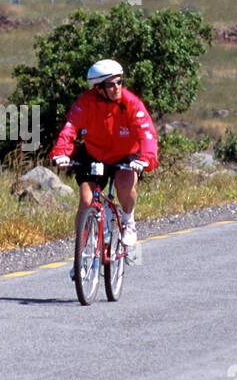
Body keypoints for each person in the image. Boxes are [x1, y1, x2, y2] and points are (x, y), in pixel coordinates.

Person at [50, 59, 158, 260]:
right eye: (110, 84)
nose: (117, 87)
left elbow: (147, 133)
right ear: (98, 88)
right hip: (94, 154)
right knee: (86, 200)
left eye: (119, 82)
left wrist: (145, 158)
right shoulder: (86, 102)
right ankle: (81, 251)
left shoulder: (131, 103)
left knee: (124, 184)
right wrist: (61, 152)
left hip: (126, 154)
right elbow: (70, 127)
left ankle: (128, 221)